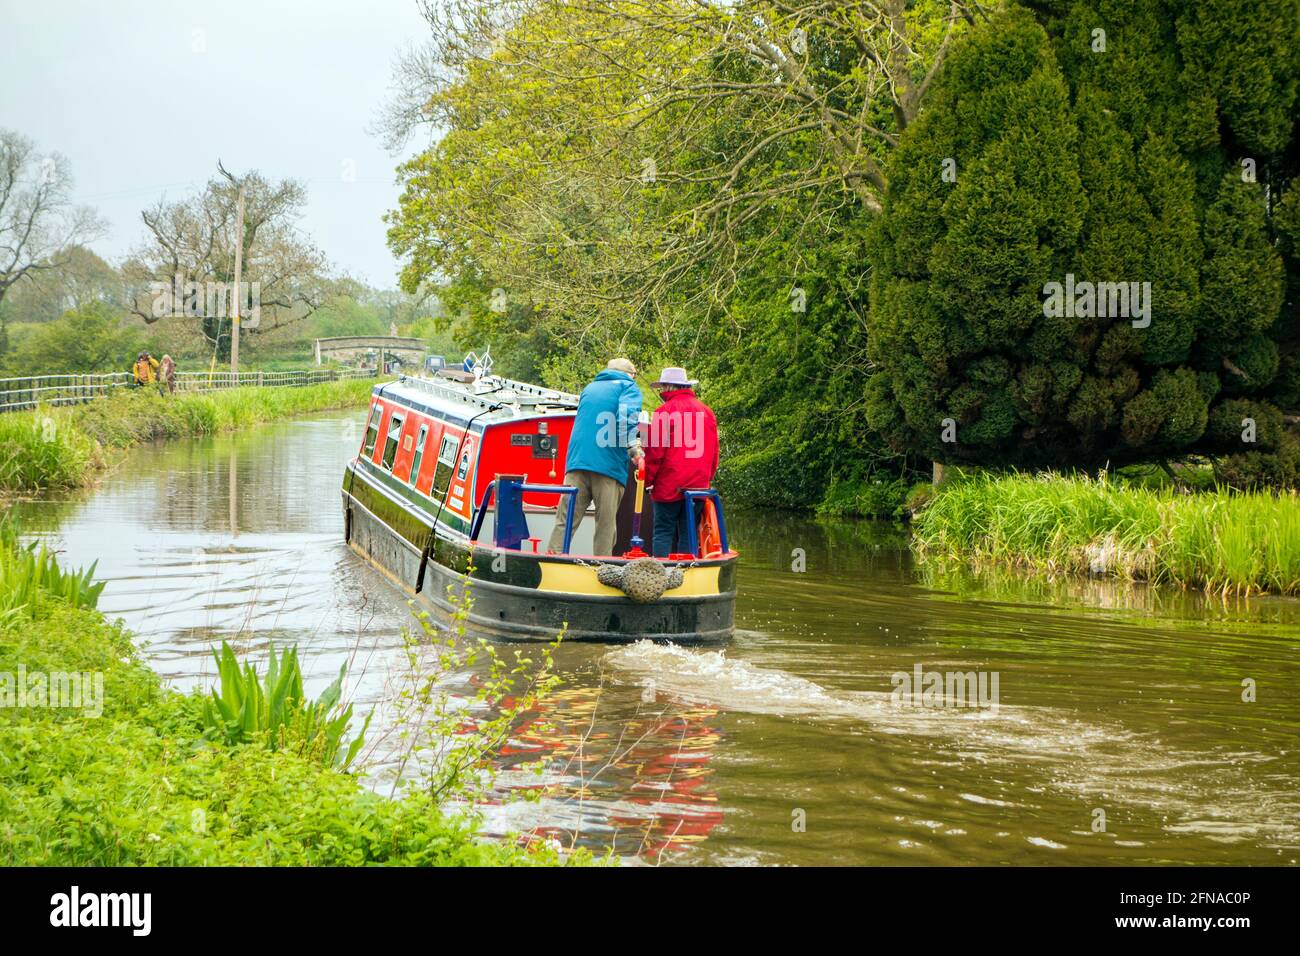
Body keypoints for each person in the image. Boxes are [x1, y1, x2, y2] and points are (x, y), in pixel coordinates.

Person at [546, 358, 643, 556]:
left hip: (576, 462)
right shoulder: (628, 387)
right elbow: (626, 418)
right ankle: (602, 567)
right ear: (630, 375)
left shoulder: (589, 388)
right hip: (607, 465)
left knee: (565, 519)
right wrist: (634, 449)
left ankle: (552, 560)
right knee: (605, 524)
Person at [643, 367, 719, 558]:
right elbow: (714, 453)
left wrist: (648, 481)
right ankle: (685, 576)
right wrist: (706, 480)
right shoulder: (707, 412)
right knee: (688, 534)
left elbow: (654, 454)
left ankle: (659, 574)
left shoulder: (664, 412)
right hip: (698, 488)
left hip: (668, 485)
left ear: (668, 387)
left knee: (663, 532)